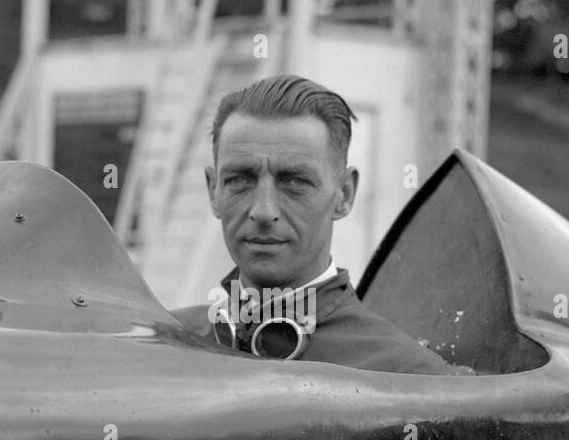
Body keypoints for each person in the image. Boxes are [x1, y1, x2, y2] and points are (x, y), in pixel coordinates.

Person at [173, 74, 469, 376]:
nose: (263, 211)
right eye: (239, 180)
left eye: (295, 182)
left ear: (344, 194)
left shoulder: (408, 376)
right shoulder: (162, 346)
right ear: (213, 191)